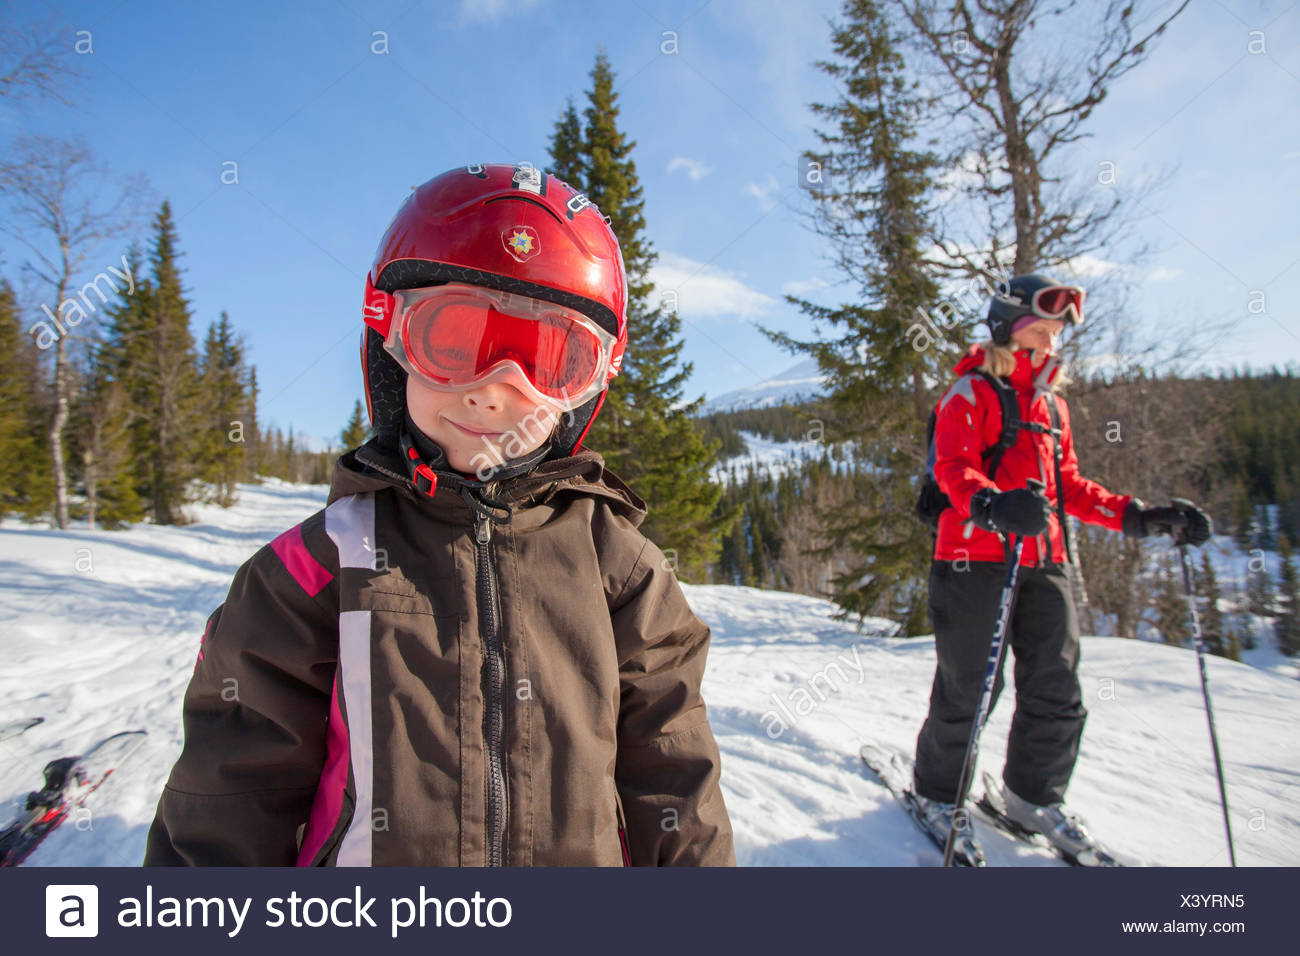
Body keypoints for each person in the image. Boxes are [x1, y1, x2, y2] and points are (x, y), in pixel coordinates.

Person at [144, 164, 735, 867]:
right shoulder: (313, 570)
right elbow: (229, 802)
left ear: (586, 386)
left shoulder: (623, 570)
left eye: (549, 359)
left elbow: (676, 782)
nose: (494, 391)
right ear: (391, 343)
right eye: (454, 340)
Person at [910, 273, 1211, 862]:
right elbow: (953, 468)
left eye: (1056, 332)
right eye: (1039, 330)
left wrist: (1140, 516)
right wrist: (993, 505)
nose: (1050, 342)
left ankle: (1030, 795)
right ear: (1006, 327)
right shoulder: (968, 394)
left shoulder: (1052, 405)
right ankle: (938, 795)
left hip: (1044, 560)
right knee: (970, 687)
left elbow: (1068, 485)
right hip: (973, 560)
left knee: (1056, 684)